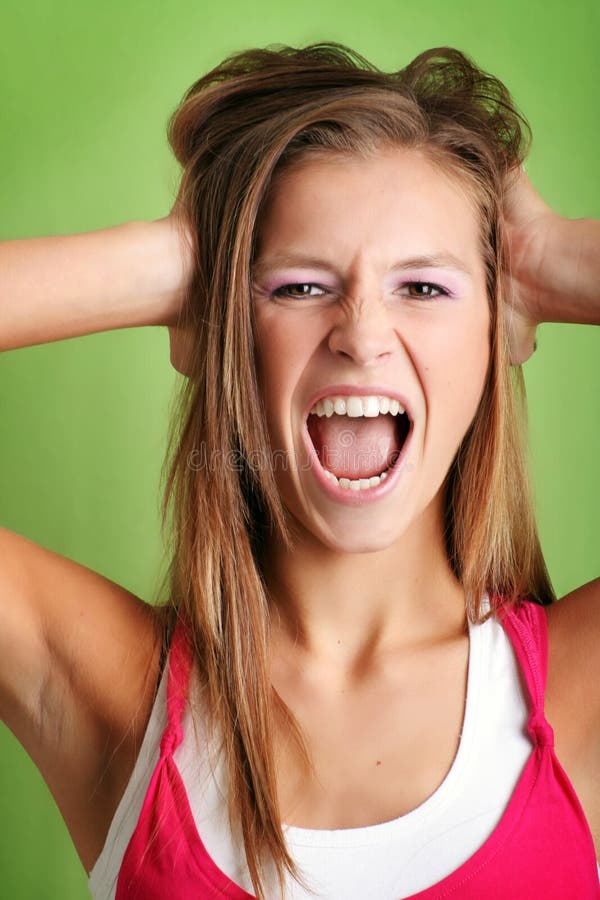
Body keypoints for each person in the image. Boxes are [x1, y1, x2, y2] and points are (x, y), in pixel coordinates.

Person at [0, 42, 599, 900]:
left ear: (494, 330)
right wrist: (166, 267)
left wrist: (553, 259)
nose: (362, 334)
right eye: (299, 288)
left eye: (423, 289)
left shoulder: (577, 692)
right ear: (229, 333)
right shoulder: (116, 696)